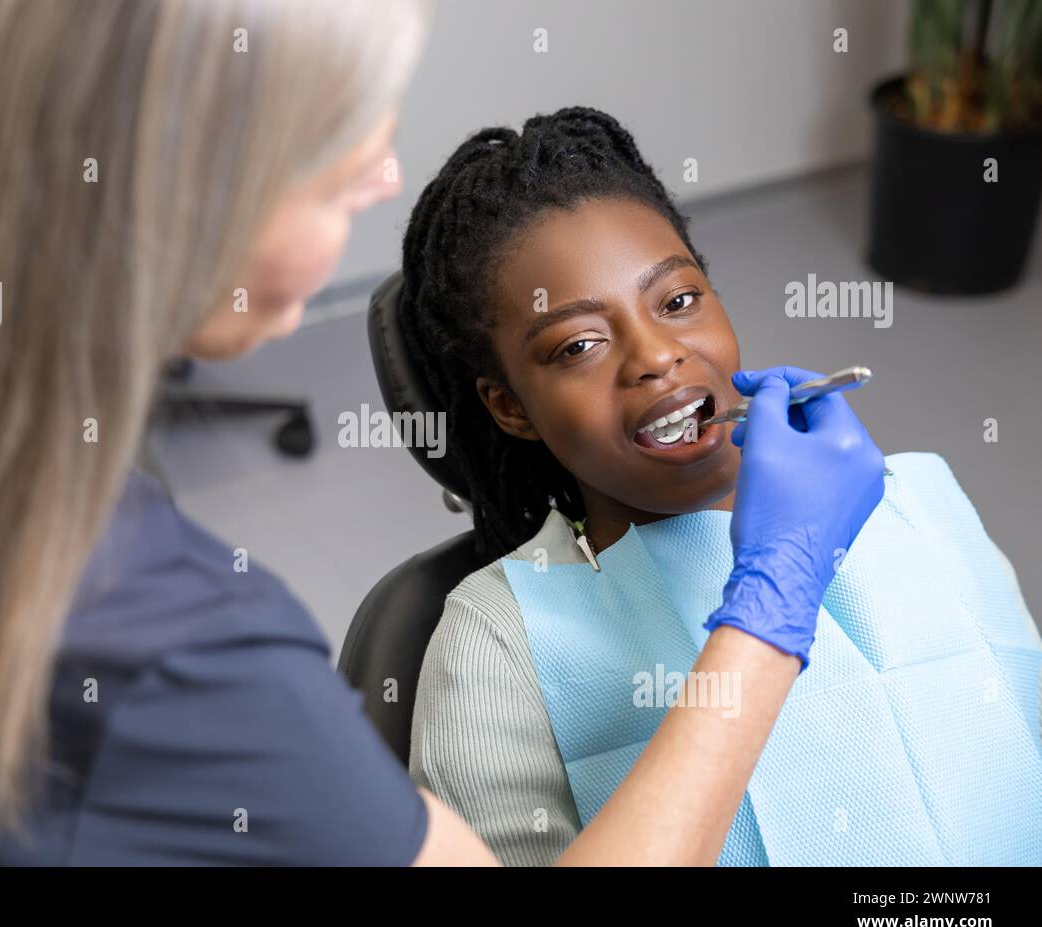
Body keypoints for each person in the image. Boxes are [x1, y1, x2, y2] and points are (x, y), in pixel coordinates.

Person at [0, 1, 883, 866]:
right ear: (184, 196)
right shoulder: (189, 653)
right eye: (340, 139)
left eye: (679, 298)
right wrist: (774, 595)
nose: (386, 167)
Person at [400, 107, 1042, 866]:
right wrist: (777, 587)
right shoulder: (496, 651)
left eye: (677, 301)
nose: (657, 356)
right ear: (510, 406)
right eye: (578, 344)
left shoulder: (920, 503)